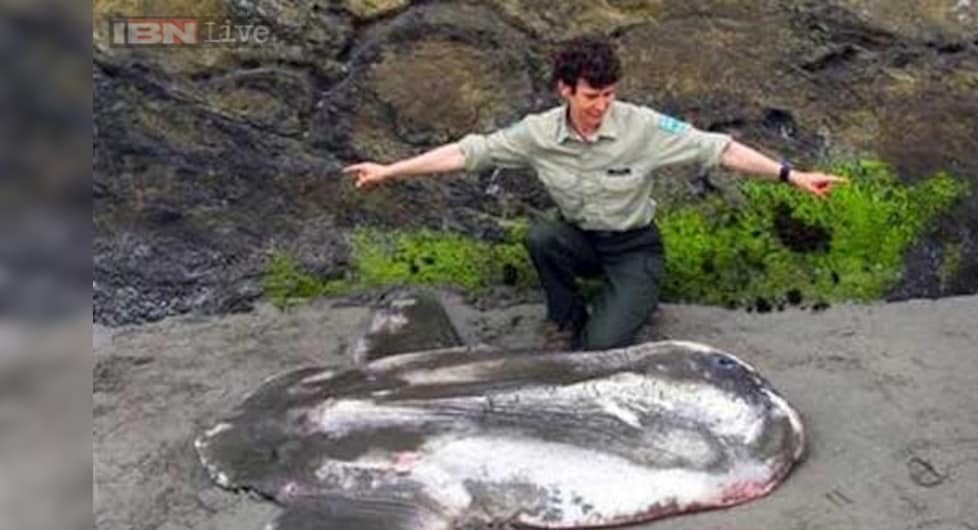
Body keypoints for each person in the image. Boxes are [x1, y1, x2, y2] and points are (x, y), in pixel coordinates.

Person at [344, 36, 847, 351]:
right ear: (565, 89)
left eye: (609, 95)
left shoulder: (644, 126)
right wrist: (390, 171)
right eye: (591, 96)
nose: (602, 106)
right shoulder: (537, 132)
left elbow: (719, 150)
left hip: (634, 248)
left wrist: (791, 175)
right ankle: (564, 317)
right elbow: (467, 153)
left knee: (601, 346)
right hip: (581, 240)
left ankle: (620, 308)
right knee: (543, 236)